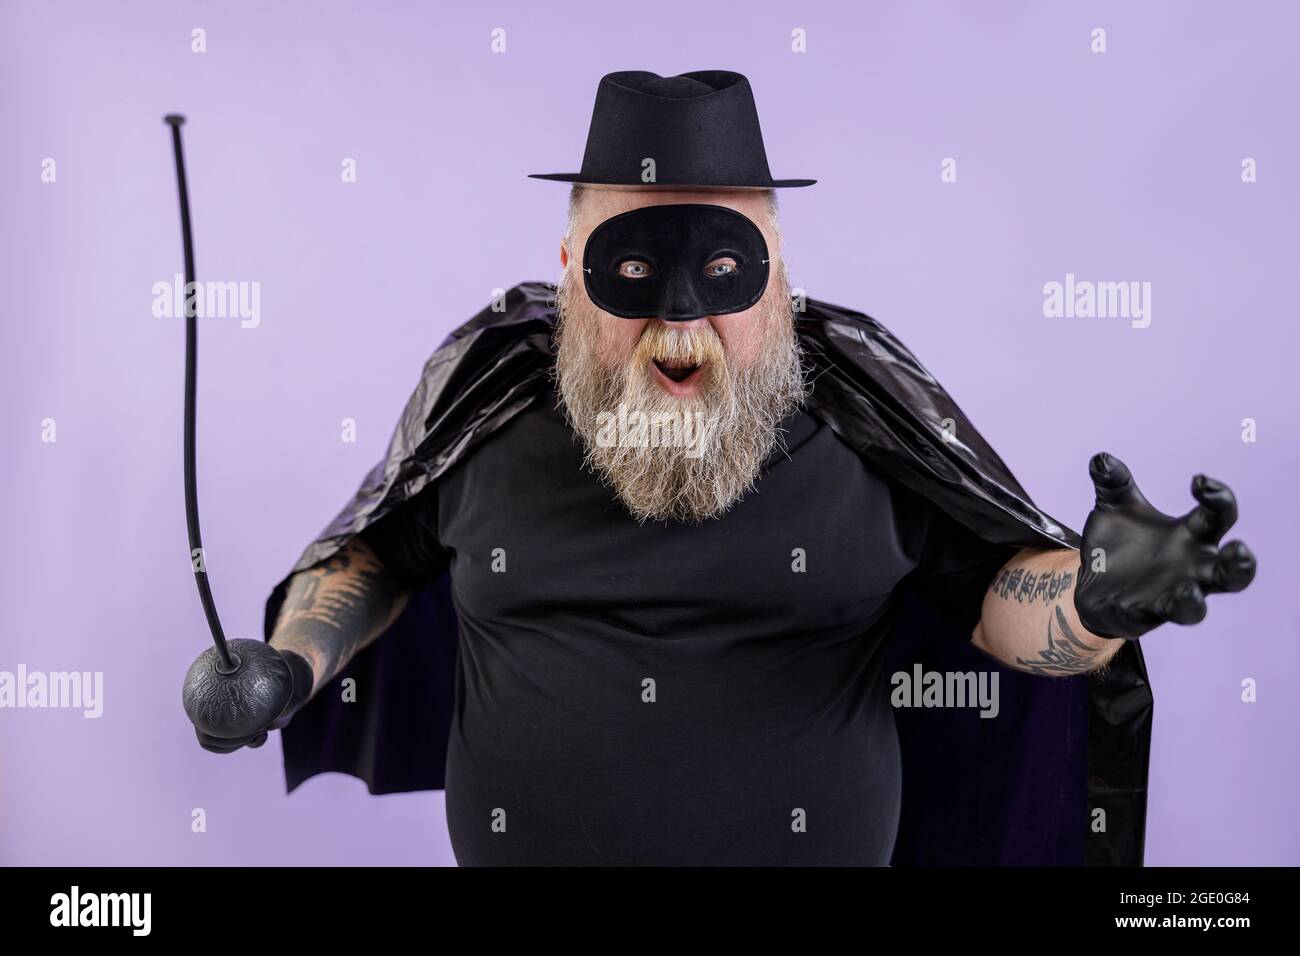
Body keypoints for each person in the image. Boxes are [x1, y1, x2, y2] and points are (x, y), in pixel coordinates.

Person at [185, 71, 1255, 866]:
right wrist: (288, 663)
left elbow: (1000, 603)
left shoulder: (859, 413)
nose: (679, 319)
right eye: (635, 269)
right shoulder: (491, 397)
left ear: (781, 285)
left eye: (724, 271)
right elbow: (378, 554)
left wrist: (1096, 596)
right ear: (569, 276)